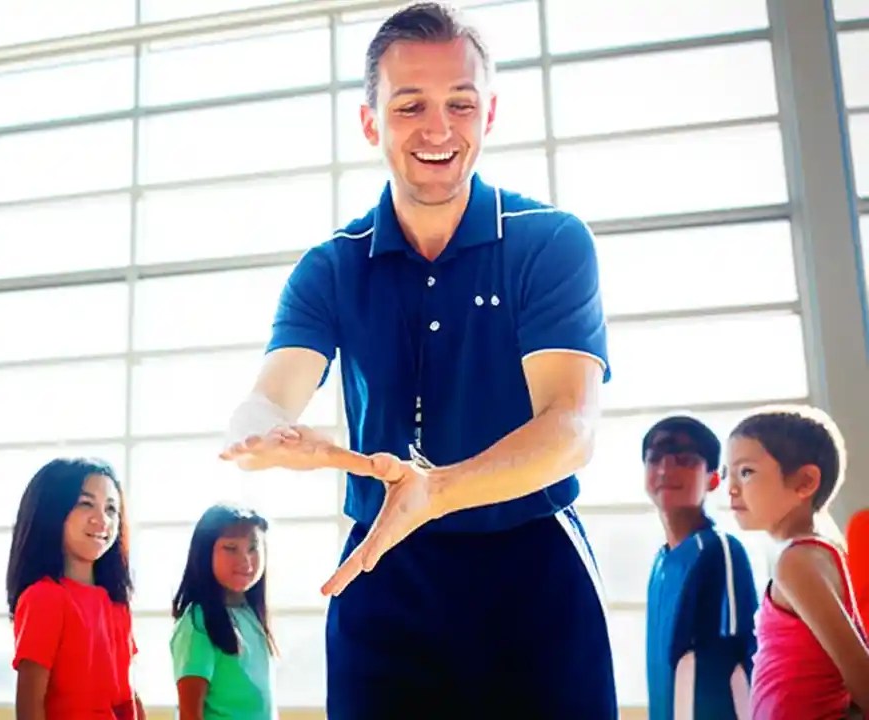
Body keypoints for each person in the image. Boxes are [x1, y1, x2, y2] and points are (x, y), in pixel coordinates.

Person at [219, 3, 615, 717]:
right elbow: (269, 397)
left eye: (460, 104)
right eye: (410, 106)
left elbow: (571, 427)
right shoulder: (330, 267)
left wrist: (439, 489)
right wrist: (265, 433)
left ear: (488, 114)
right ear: (371, 122)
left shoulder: (550, 242)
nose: (438, 129)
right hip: (383, 572)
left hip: (534, 572)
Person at [726, 405, 869, 718]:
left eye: (746, 472)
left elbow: (861, 675)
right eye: (728, 473)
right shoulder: (812, 553)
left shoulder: (797, 563)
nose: (731, 488)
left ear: (805, 482)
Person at [7, 457, 144, 720]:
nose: (102, 520)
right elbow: (29, 705)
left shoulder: (117, 603)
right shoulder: (44, 598)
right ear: (52, 512)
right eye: (86, 504)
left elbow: (128, 695)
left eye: (111, 509)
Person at [641, 415, 758, 719]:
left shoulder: (719, 550)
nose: (666, 469)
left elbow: (739, 659)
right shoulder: (661, 562)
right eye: (655, 459)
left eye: (685, 460)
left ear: (713, 478)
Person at [170, 504, 278, 720]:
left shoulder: (250, 615)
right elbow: (190, 714)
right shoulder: (198, 622)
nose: (245, 560)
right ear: (204, 553)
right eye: (231, 548)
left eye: (253, 548)